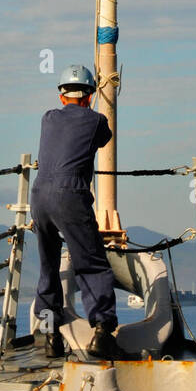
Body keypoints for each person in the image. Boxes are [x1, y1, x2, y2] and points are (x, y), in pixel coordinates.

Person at [31, 63, 125, 361]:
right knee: (91, 263)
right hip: (70, 195)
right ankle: (102, 332)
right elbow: (103, 139)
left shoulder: (48, 119)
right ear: (90, 94)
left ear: (61, 96)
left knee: (48, 266)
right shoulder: (96, 120)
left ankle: (49, 336)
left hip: (40, 196)